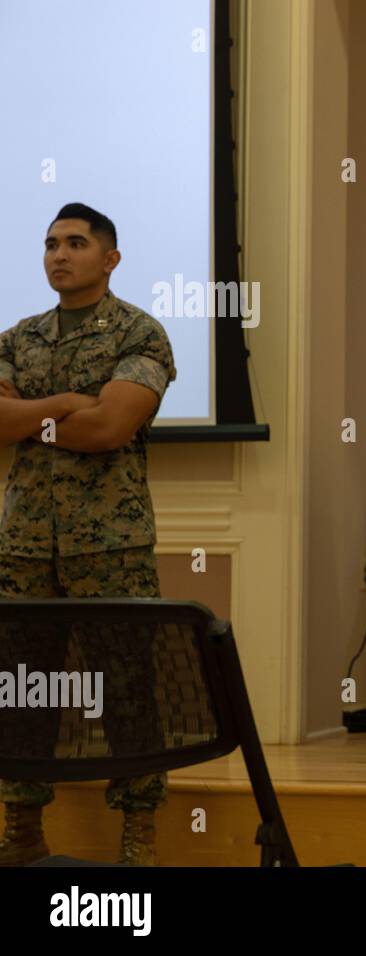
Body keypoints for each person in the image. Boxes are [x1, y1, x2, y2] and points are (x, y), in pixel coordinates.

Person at [0, 203, 178, 866]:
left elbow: (110, 430)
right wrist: (65, 407)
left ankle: (139, 840)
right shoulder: (17, 337)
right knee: (21, 690)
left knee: (128, 690)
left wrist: (29, 418)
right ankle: (21, 832)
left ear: (110, 258)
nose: (58, 254)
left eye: (75, 243)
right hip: (22, 545)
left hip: (111, 545)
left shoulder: (141, 333)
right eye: (49, 244)